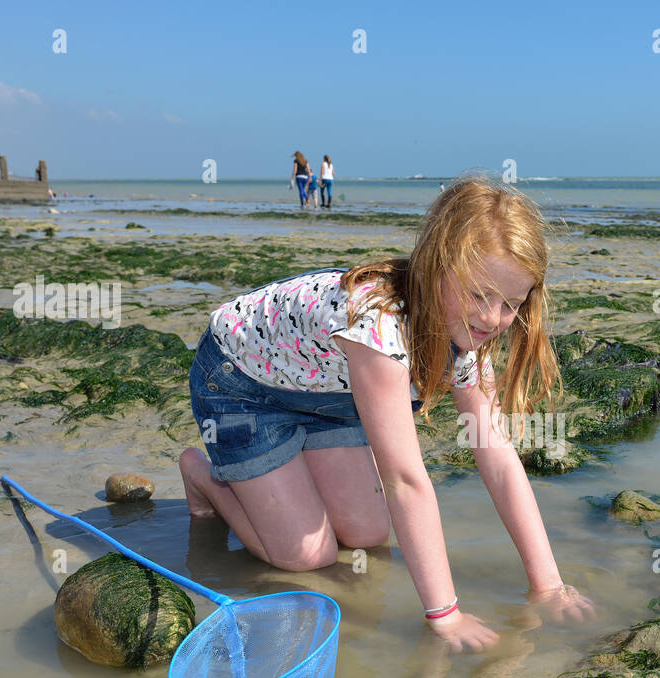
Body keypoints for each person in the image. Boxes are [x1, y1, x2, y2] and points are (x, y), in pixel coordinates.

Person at [178, 176, 596, 652]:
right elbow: (405, 479)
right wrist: (446, 615)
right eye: (480, 294)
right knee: (306, 556)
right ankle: (206, 476)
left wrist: (548, 586)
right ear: (438, 265)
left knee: (367, 533)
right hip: (243, 383)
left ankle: (289, 476)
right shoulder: (378, 327)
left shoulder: (470, 342)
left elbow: (498, 460)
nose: (492, 319)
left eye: (511, 305)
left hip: (327, 395)